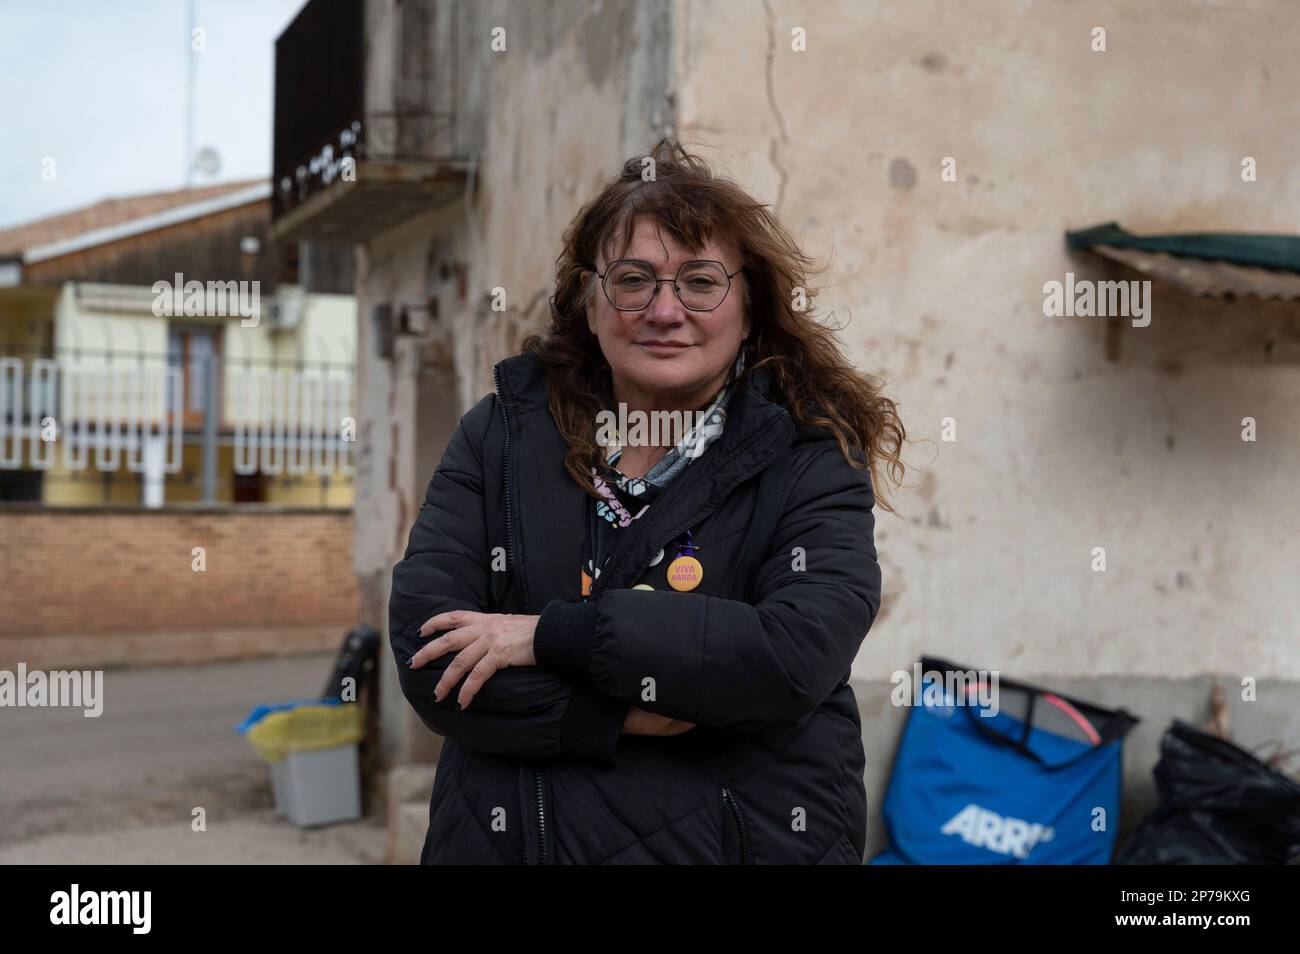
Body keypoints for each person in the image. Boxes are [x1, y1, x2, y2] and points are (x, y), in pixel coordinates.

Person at [388, 140, 904, 864]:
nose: (665, 310)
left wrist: (549, 637)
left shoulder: (808, 456)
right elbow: (429, 654)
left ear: (749, 308)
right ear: (590, 302)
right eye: (634, 280)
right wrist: (622, 713)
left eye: (700, 281)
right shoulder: (503, 434)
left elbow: (791, 657)